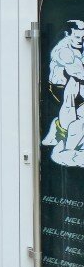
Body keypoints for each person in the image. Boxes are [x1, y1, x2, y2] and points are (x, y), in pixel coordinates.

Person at [43, 20, 84, 166]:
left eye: (83, 38)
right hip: (60, 87)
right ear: (68, 34)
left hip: (76, 85)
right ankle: (67, 146)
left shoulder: (79, 47)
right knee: (73, 114)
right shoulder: (64, 51)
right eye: (77, 38)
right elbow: (79, 73)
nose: (80, 41)